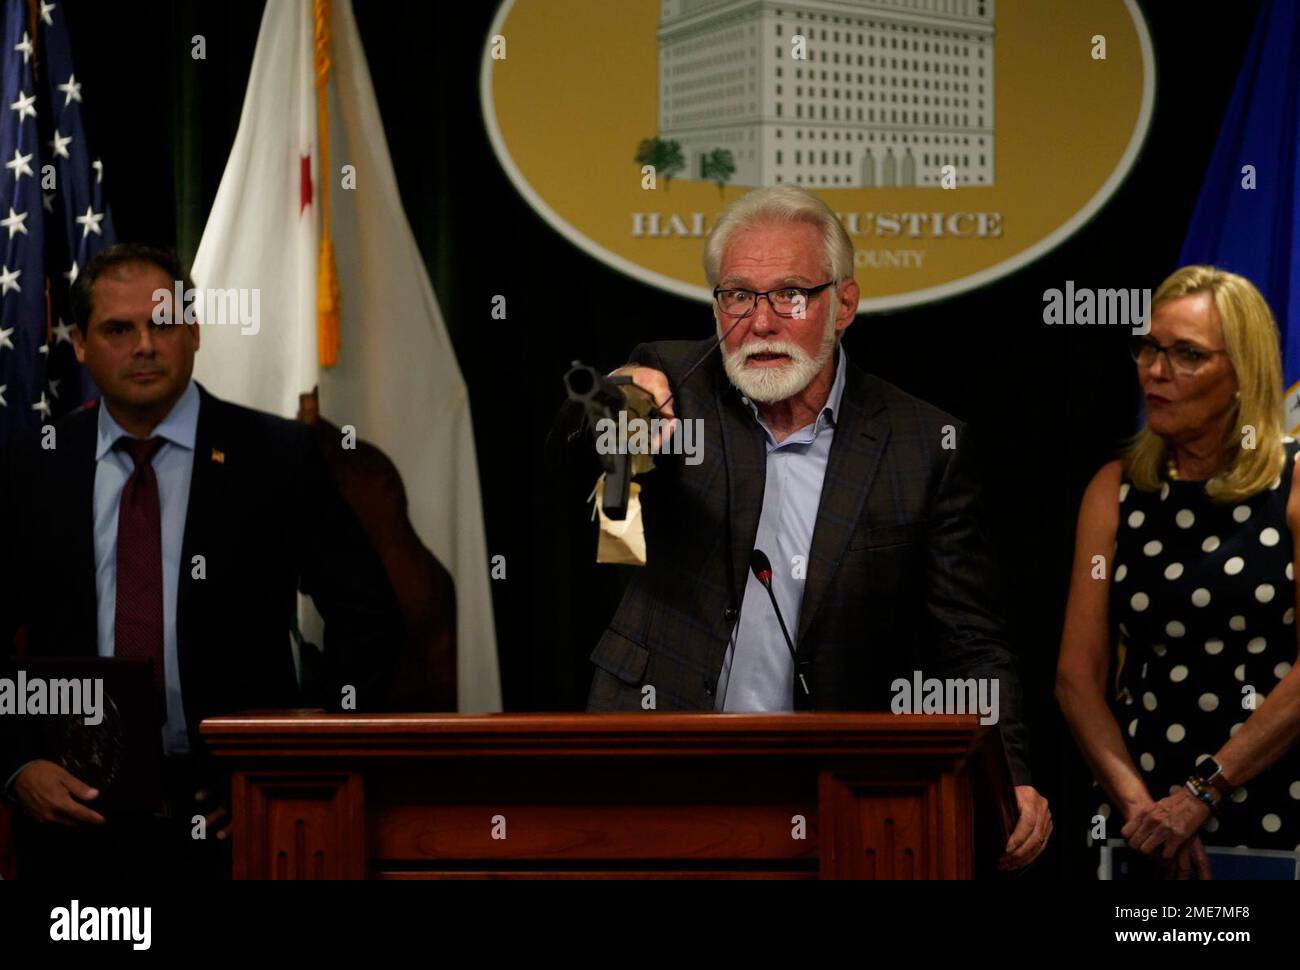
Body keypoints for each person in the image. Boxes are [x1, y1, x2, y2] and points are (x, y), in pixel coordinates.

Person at [555, 186, 1050, 870]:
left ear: (843, 304)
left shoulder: (921, 445)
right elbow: (609, 416)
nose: (759, 322)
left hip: (830, 790)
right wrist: (623, 402)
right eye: (736, 296)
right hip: (660, 769)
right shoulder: (679, 383)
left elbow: (970, 641)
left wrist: (1011, 771)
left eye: (790, 294)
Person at [0, 244, 402, 877]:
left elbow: (369, 618)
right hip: (68, 812)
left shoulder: (277, 456)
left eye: (163, 323)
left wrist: (290, 768)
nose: (144, 345)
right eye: (117, 329)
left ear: (194, 331)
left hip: (236, 815)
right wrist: (17, 762)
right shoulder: (33, 464)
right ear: (78, 343)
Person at [1057, 265, 1300, 879]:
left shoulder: (1294, 487)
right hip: (1140, 817)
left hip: (1273, 809)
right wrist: (1145, 812)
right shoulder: (1113, 492)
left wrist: (1201, 795)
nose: (1156, 373)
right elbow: (1076, 678)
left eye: (1187, 355)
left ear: (1244, 375)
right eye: (1150, 349)